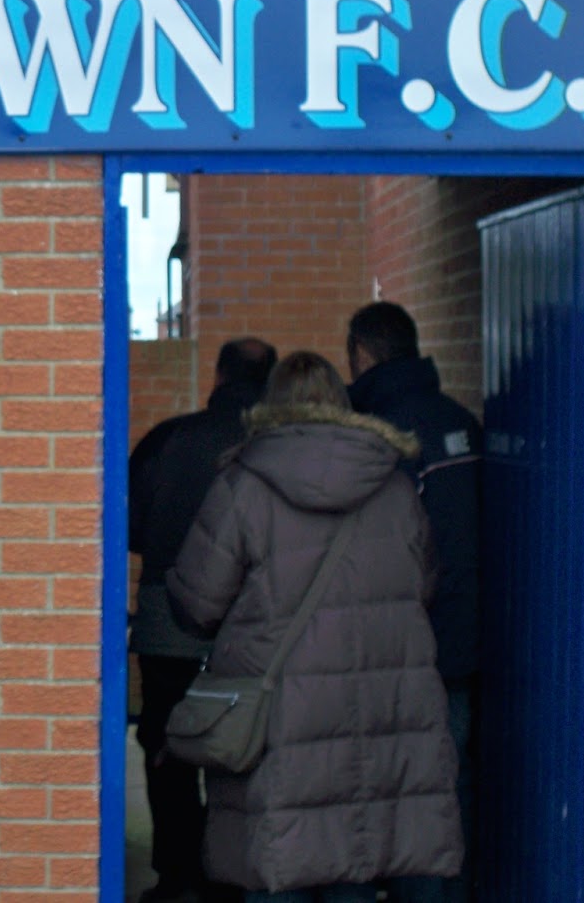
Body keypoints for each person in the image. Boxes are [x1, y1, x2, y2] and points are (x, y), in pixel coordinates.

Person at [166, 352, 462, 901]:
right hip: (380, 707)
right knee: (351, 853)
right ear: (344, 402)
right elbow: (422, 588)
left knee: (280, 857)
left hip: (280, 715)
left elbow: (198, 604)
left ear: (270, 406)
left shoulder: (243, 487)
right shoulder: (395, 489)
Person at [129, 338, 277, 903]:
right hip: (253, 626)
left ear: (217, 376)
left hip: (170, 624)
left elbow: (127, 525)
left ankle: (178, 876)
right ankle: (231, 879)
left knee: (167, 748)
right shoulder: (276, 448)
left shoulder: (169, 439)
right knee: (244, 751)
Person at [346, 302, 482, 903]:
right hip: (466, 648)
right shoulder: (462, 423)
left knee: (407, 805)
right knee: (448, 796)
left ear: (362, 355)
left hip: (402, 654)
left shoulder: (379, 438)